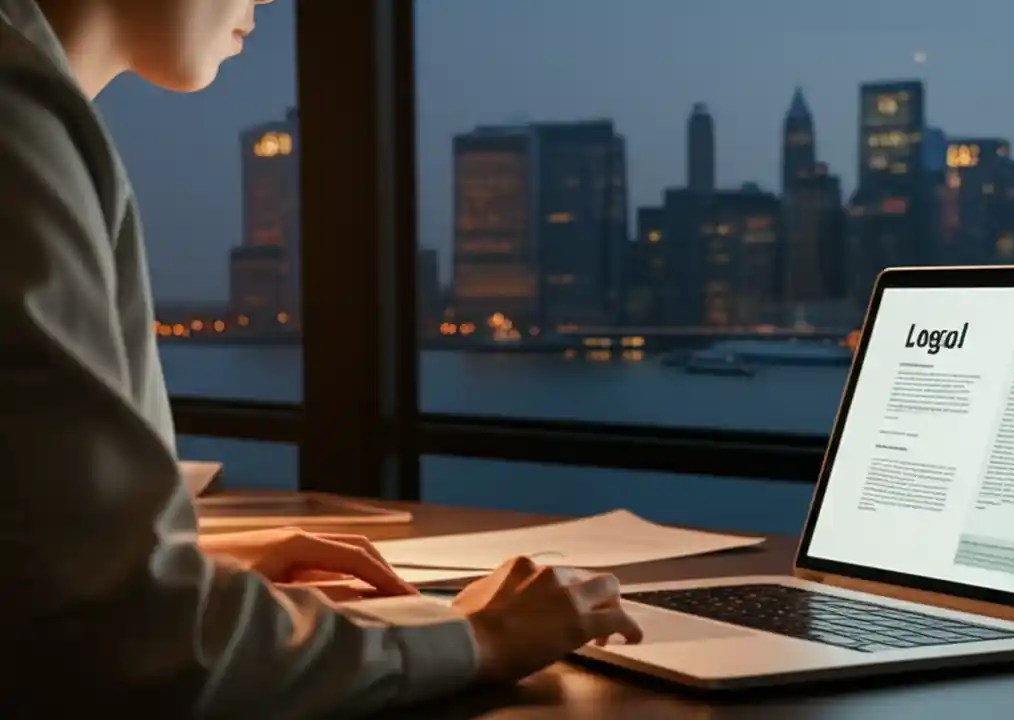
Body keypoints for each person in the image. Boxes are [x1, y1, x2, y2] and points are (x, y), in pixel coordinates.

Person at [0, 0, 641, 716]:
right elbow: (134, 653)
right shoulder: (15, 127)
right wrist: (477, 636)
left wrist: (182, 573)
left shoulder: (36, 118)